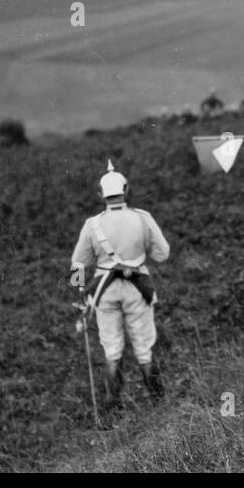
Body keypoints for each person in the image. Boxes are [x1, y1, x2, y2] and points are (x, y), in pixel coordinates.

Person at [70, 160, 171, 411]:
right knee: (144, 349)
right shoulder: (142, 218)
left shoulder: (92, 225)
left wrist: (81, 293)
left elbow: (77, 264)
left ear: (100, 195)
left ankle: (113, 410)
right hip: (138, 288)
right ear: (126, 190)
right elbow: (162, 254)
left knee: (112, 351)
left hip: (105, 292)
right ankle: (159, 405)